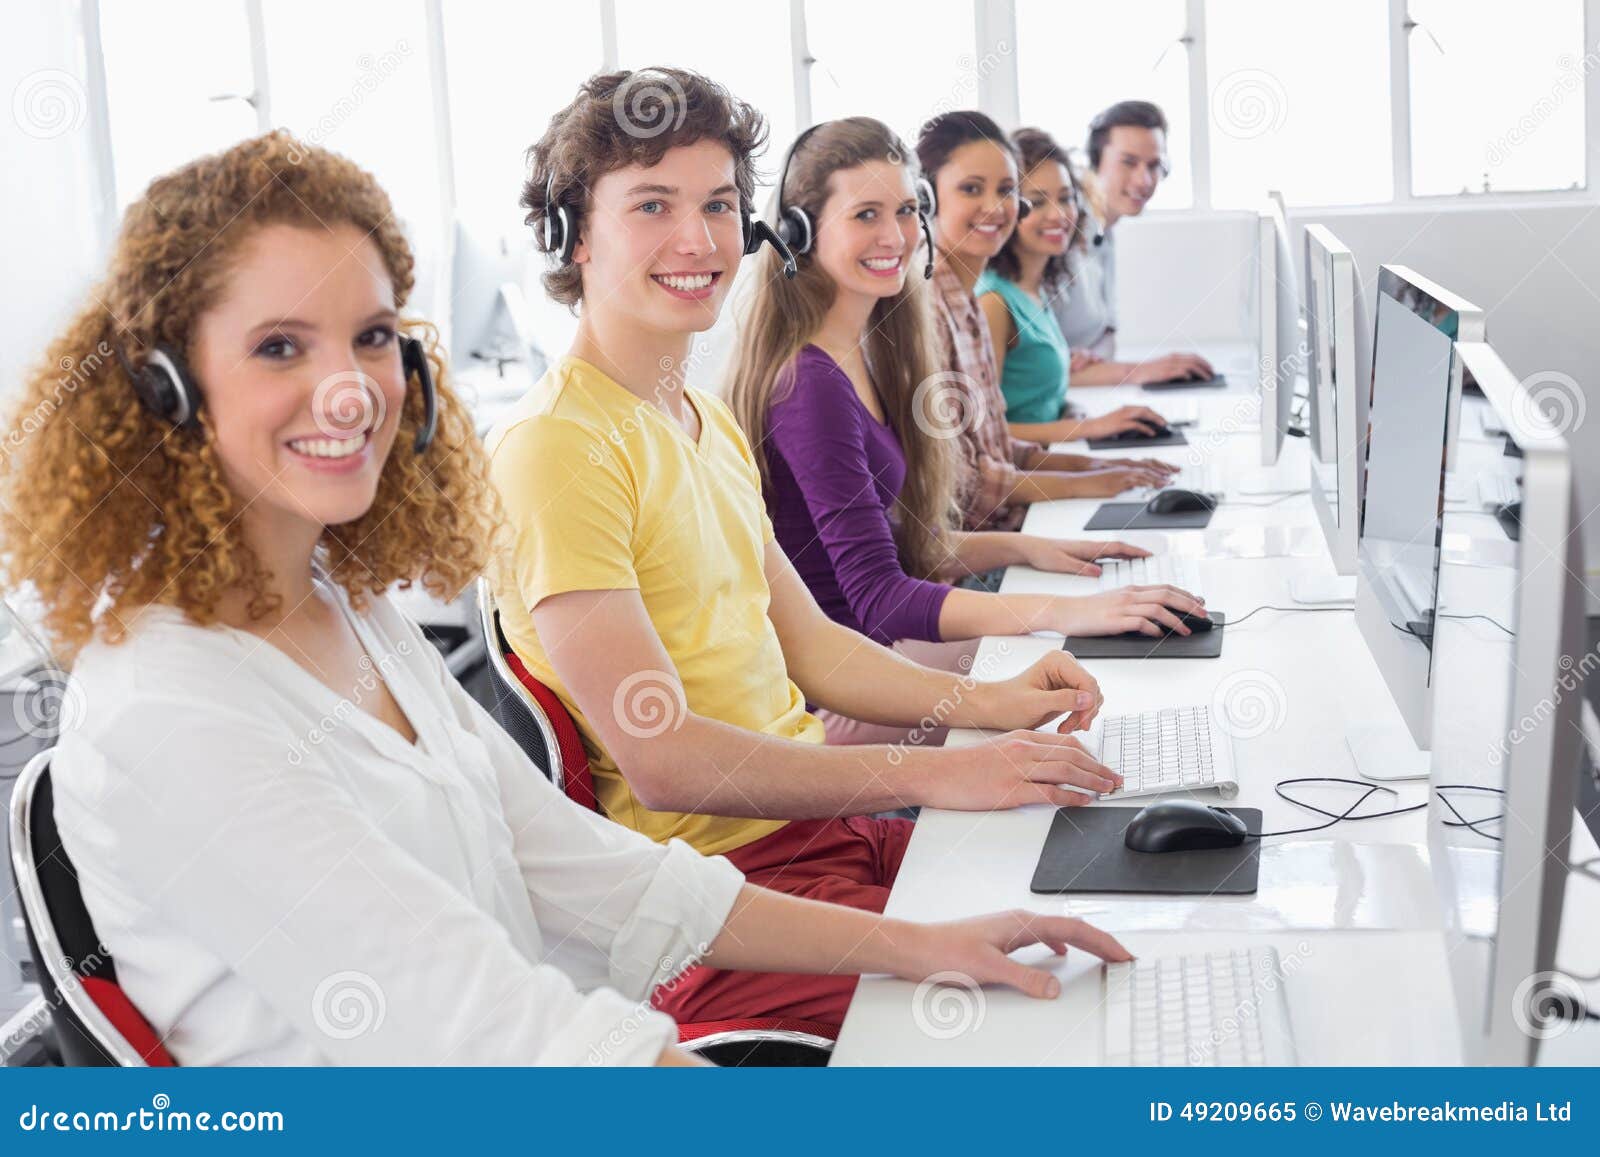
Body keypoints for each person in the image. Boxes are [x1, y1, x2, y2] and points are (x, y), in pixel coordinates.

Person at [0, 131, 1134, 1066]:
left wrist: (926, 944)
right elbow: (486, 1028)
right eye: (279, 346)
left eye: (373, 337)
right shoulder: (173, 704)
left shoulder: (350, 614)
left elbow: (600, 869)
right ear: (163, 390)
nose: (346, 388)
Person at [489, 70, 1137, 1029]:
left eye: (718, 205)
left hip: (823, 839)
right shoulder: (559, 448)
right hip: (725, 905)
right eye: (652, 206)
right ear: (575, 232)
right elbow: (665, 760)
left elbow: (820, 653)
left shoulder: (696, 417)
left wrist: (992, 707)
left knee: (1097, 908)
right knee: (1055, 1022)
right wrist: (933, 769)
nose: (699, 239)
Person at [726, 116, 1208, 736]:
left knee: (1090, 665)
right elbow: (880, 595)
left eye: (905, 210)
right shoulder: (808, 385)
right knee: (1077, 671)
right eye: (865, 214)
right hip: (838, 703)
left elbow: (905, 548)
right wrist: (1070, 608)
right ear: (799, 232)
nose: (896, 235)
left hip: (884, 661)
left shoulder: (871, 352)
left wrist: (1035, 548)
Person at [916, 110, 1176, 535]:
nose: (996, 207)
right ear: (928, 199)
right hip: (990, 540)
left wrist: (1100, 467)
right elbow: (965, 483)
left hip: (1012, 519)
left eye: (1005, 191)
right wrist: (1090, 468)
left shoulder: (971, 300)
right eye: (971, 189)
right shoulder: (979, 303)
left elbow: (995, 444)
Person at [978, 128, 1176, 446]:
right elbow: (985, 436)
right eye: (1037, 202)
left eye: (1066, 198)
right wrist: (1091, 428)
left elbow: (1039, 406)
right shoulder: (994, 302)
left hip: (1050, 460)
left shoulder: (1035, 290)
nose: (1059, 215)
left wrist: (1077, 414)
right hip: (1023, 484)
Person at [1048, 100, 1215, 387]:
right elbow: (1040, 370)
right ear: (1094, 161)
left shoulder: (1106, 229)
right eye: (1129, 162)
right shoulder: (1058, 235)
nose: (1144, 180)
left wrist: (1092, 358)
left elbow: (1104, 338)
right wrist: (1143, 370)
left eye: (1154, 166)